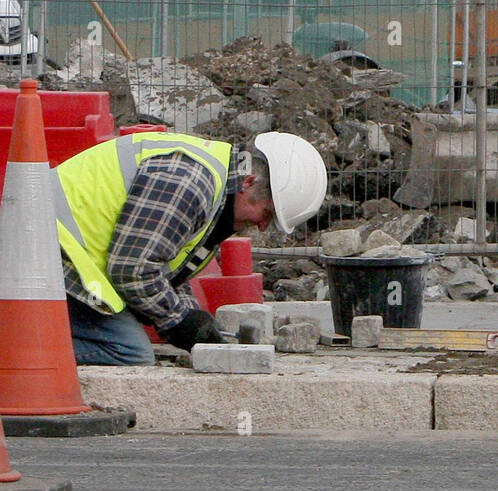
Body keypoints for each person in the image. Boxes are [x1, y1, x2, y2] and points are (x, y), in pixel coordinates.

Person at [53, 129, 327, 365]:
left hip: (61, 250)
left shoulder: (215, 188)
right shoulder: (189, 184)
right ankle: (20, 350)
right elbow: (132, 270)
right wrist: (177, 319)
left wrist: (194, 320)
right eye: (267, 214)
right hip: (48, 250)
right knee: (130, 351)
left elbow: (163, 262)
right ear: (248, 182)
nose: (263, 227)